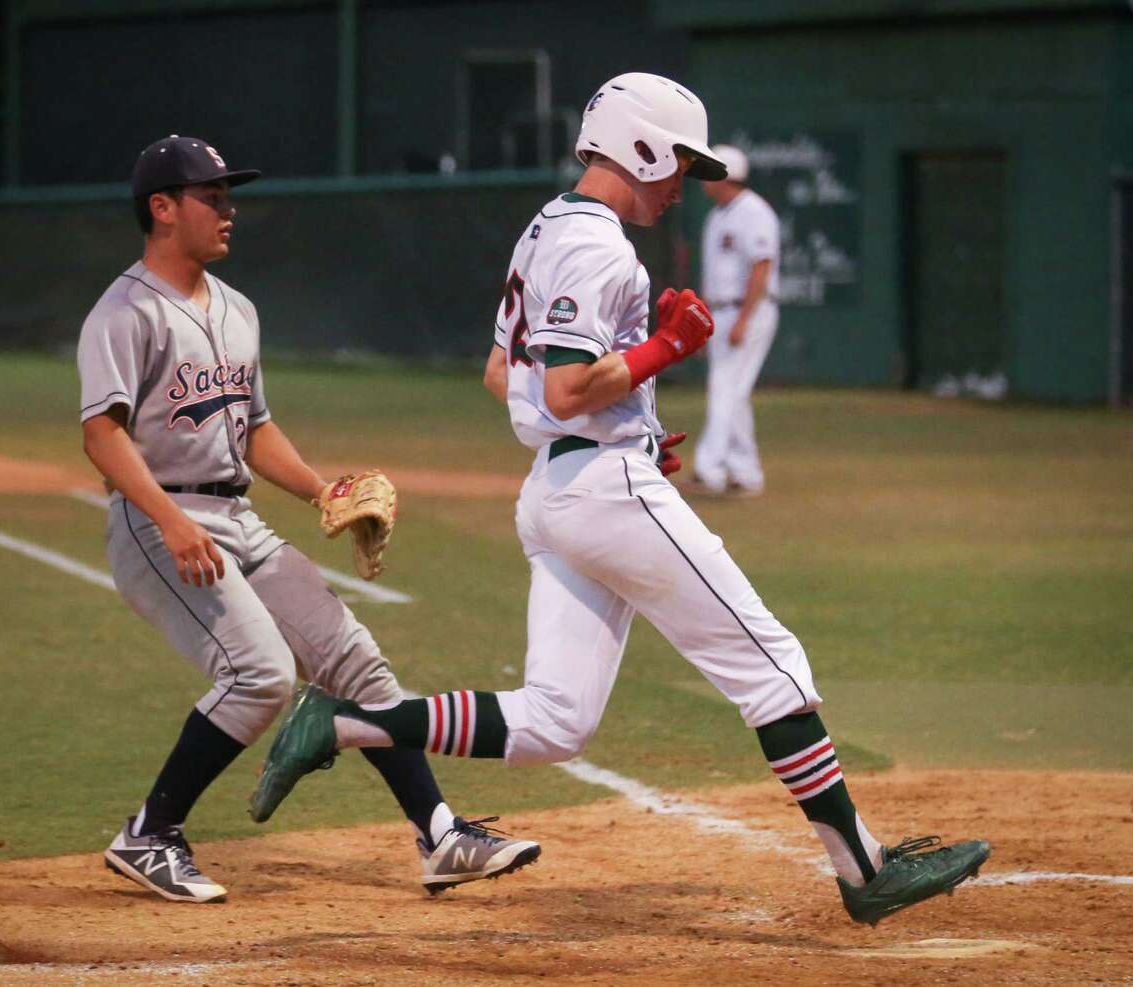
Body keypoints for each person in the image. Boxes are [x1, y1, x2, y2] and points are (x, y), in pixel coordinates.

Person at [250, 75, 990, 926]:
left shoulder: (544, 229)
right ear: (638, 145)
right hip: (600, 489)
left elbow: (506, 377)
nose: (685, 182)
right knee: (774, 666)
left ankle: (345, 723)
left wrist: (629, 422)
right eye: (679, 159)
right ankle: (863, 872)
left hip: (565, 488)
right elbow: (564, 390)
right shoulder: (600, 245)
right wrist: (665, 351)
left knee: (556, 721)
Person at [76, 134, 539, 903]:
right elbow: (102, 433)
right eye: (212, 196)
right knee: (259, 675)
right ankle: (150, 833)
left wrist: (324, 493)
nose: (230, 210)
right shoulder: (124, 313)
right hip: (159, 522)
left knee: (356, 661)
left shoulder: (238, 310)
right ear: (162, 209)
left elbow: (253, 429)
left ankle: (443, 835)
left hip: (237, 517)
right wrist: (168, 519)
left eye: (231, 195)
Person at [690, 144, 780, 497]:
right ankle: (745, 473)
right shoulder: (717, 216)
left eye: (708, 173)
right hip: (722, 310)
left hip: (749, 309)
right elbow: (713, 278)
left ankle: (708, 468)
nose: (702, 181)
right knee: (732, 393)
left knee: (726, 388)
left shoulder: (753, 211)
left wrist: (745, 318)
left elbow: (762, 265)